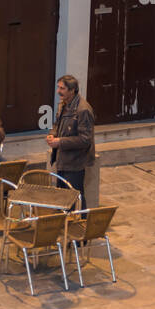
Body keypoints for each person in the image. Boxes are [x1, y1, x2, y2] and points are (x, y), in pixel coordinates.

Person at [47, 74, 95, 210]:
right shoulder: (63, 105)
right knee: (62, 196)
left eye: (62, 88)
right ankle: (64, 224)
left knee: (76, 197)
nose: (58, 91)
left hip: (75, 162)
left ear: (72, 90)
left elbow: (85, 139)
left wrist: (60, 142)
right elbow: (57, 124)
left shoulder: (83, 110)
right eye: (58, 87)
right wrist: (52, 135)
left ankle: (82, 225)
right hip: (62, 159)